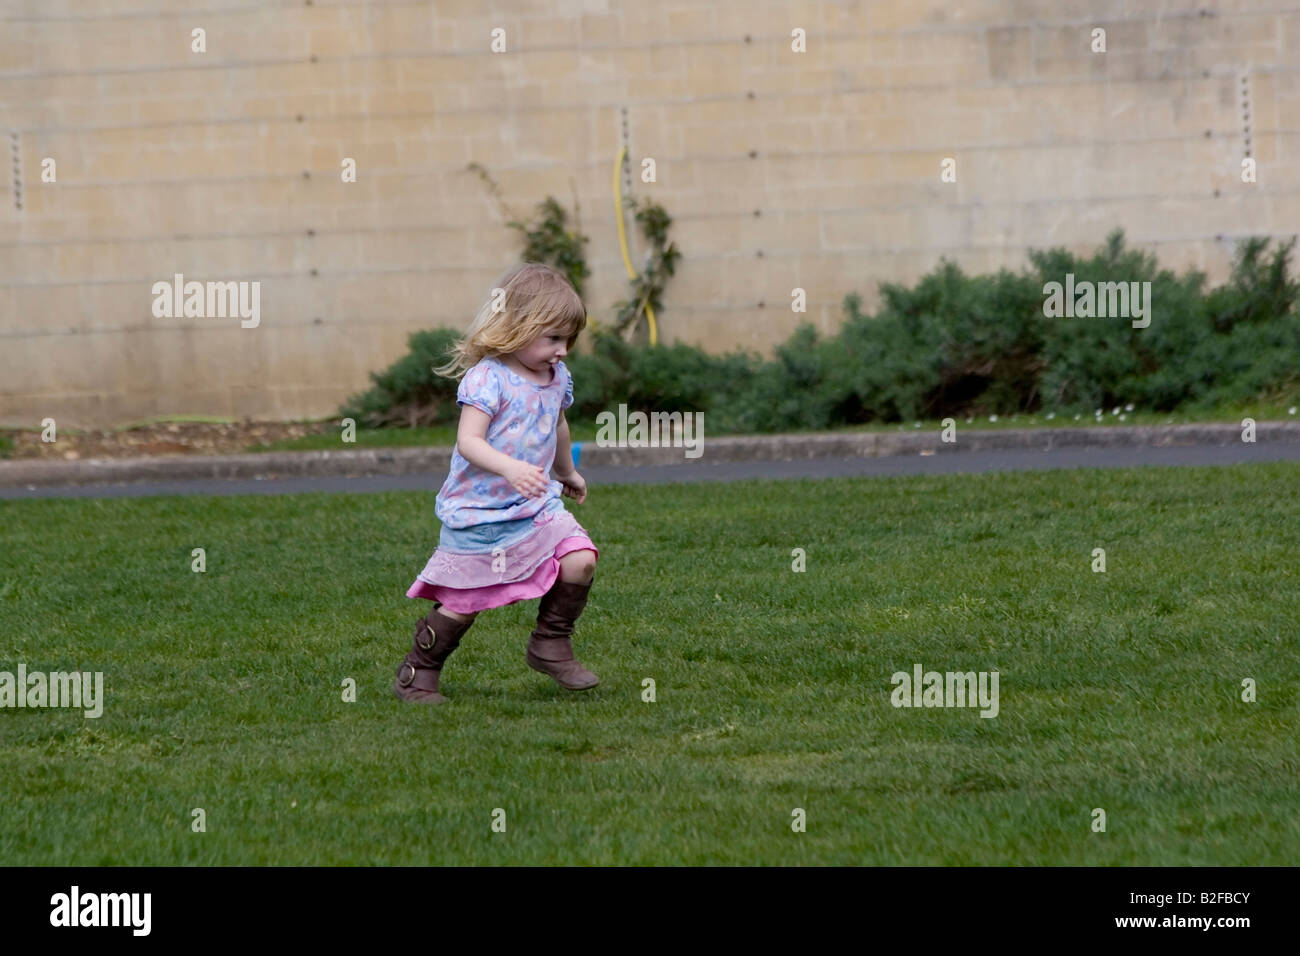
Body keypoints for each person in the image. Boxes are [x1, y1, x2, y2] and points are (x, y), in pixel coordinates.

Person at [395, 262, 601, 704]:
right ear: (517, 327)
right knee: (462, 604)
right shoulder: (489, 378)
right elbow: (469, 442)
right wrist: (509, 468)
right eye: (552, 339)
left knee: (580, 559)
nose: (562, 350)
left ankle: (550, 645)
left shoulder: (556, 377)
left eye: (569, 339)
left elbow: (557, 424)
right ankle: (418, 673)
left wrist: (565, 471)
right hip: (481, 512)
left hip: (536, 505)